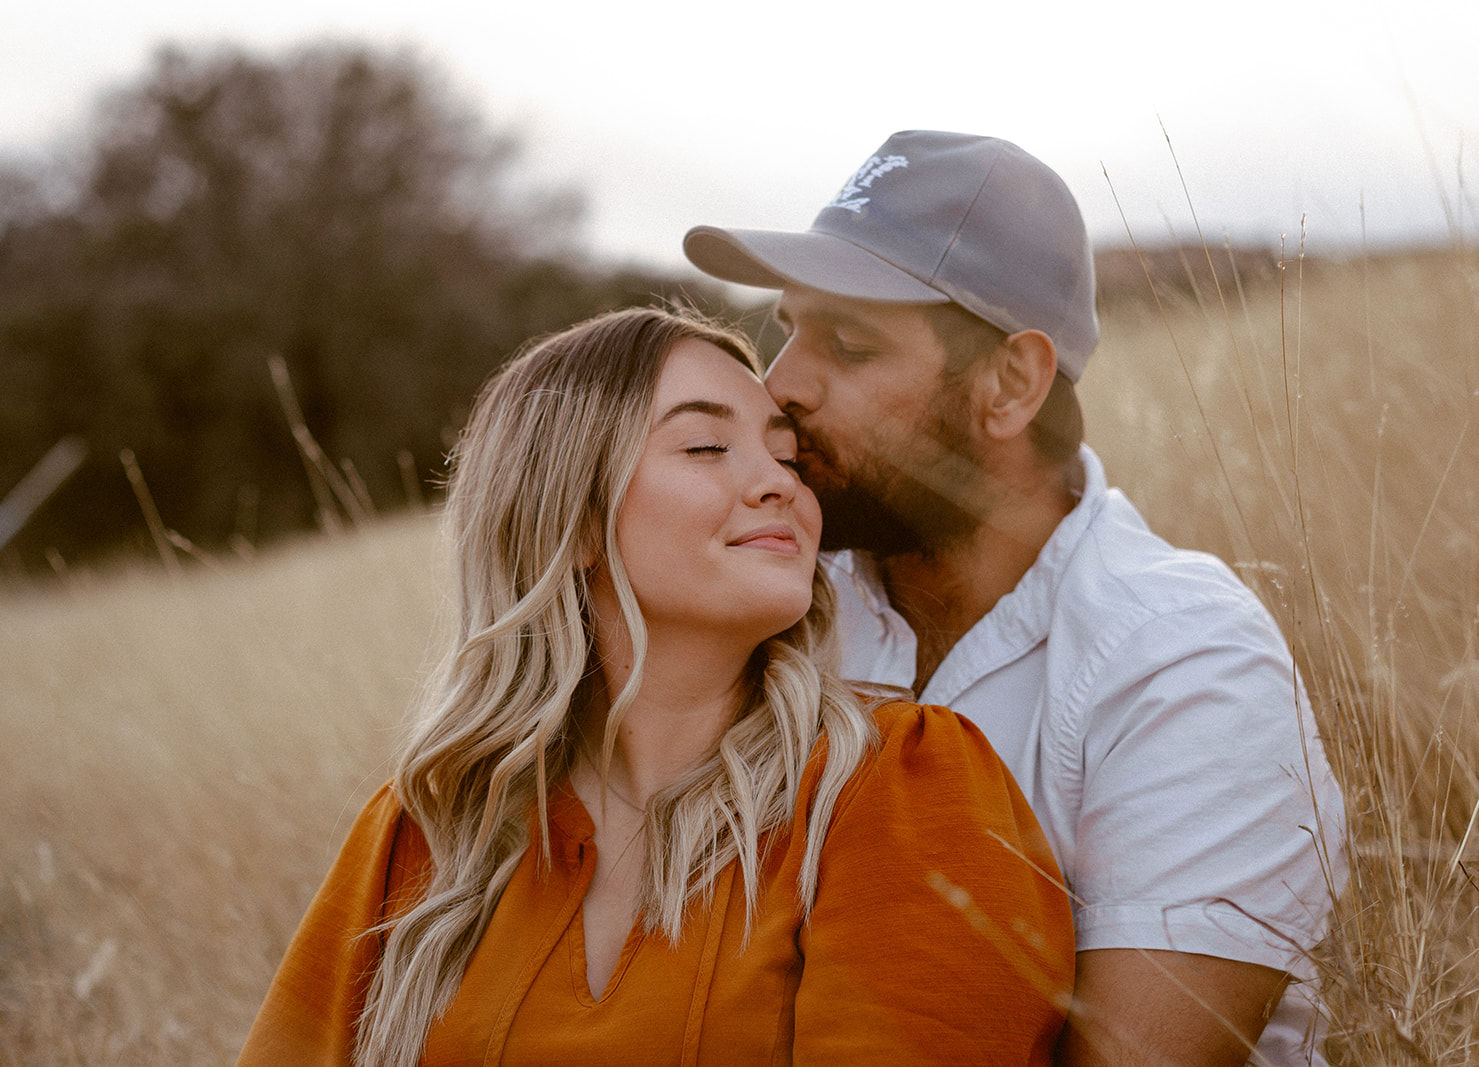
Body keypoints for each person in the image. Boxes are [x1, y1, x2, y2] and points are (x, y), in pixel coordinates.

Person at [236, 307, 1074, 1066]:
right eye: (707, 447)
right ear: (567, 519)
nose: (782, 481)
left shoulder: (895, 786)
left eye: (788, 454)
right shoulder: (427, 830)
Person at [684, 130, 1348, 1067]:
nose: (780, 384)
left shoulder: (1184, 659)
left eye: (849, 342)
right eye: (786, 328)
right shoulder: (782, 606)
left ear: (1011, 384)